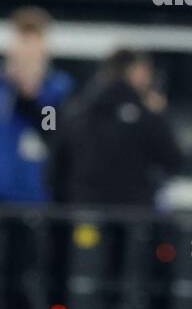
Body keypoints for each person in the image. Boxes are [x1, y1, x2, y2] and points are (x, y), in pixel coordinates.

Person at [47, 48, 181, 206]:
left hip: (85, 214)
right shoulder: (147, 117)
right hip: (133, 219)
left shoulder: (77, 111)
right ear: (135, 73)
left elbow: (56, 170)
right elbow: (173, 161)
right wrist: (159, 117)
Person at [0, 7, 74, 203]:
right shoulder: (3, 88)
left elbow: (50, 128)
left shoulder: (58, 87)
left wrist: (30, 92)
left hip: (38, 195)